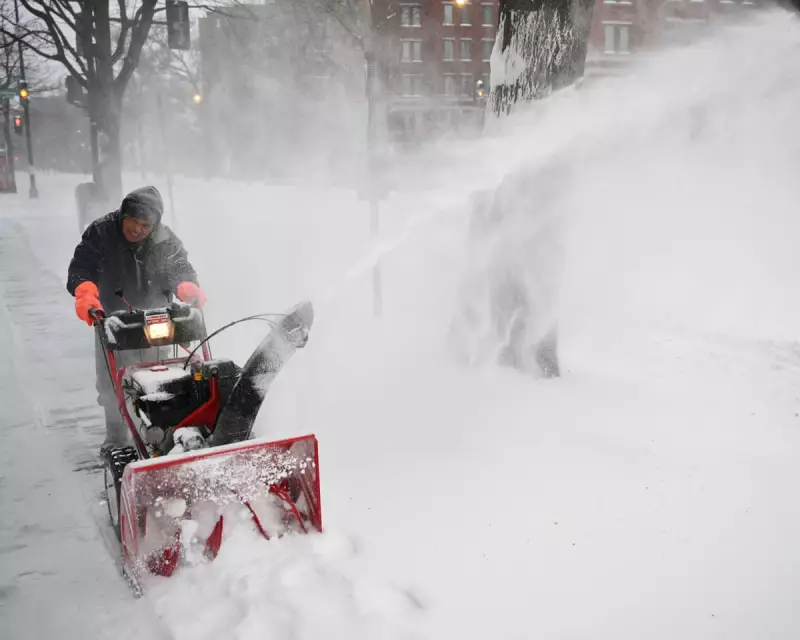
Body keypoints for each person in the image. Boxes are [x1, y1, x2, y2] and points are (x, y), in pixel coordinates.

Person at [66, 185, 207, 452]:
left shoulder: (163, 239)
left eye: (146, 225)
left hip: (156, 317)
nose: (138, 229)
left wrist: (187, 286)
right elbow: (81, 266)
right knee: (112, 382)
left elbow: (179, 267)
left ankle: (167, 432)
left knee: (166, 374)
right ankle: (117, 439)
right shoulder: (101, 232)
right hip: (112, 319)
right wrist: (85, 292)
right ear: (123, 215)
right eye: (134, 221)